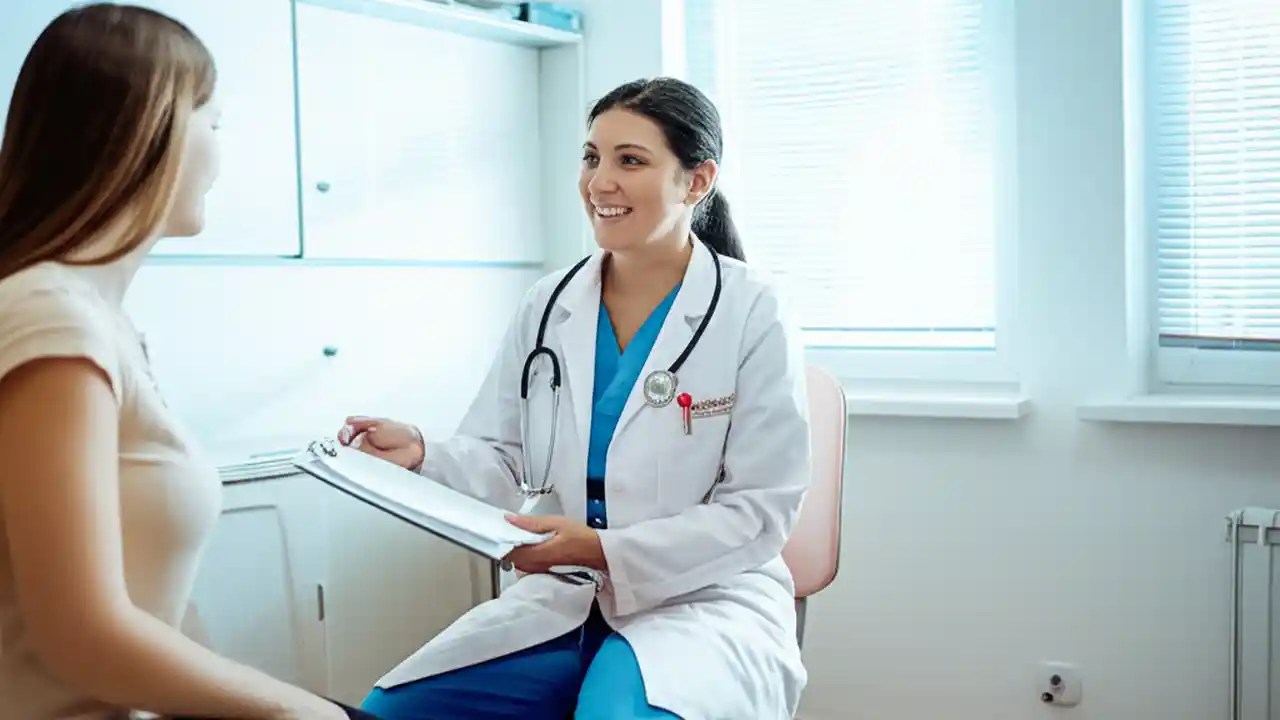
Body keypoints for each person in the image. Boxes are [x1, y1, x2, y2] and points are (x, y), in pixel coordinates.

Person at [339, 77, 812, 720]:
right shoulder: (551, 303)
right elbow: (506, 461)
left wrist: (598, 547)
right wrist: (422, 453)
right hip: (567, 592)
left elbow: (759, 511)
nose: (599, 182)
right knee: (386, 711)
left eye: (630, 160)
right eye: (591, 157)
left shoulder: (753, 309)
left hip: (702, 598)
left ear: (696, 181)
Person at [0, 5, 373, 719]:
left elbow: (156, 606)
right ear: (151, 127)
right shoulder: (51, 319)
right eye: (215, 121)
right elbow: (82, 634)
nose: (220, 151)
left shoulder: (101, 323)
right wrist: (299, 711)